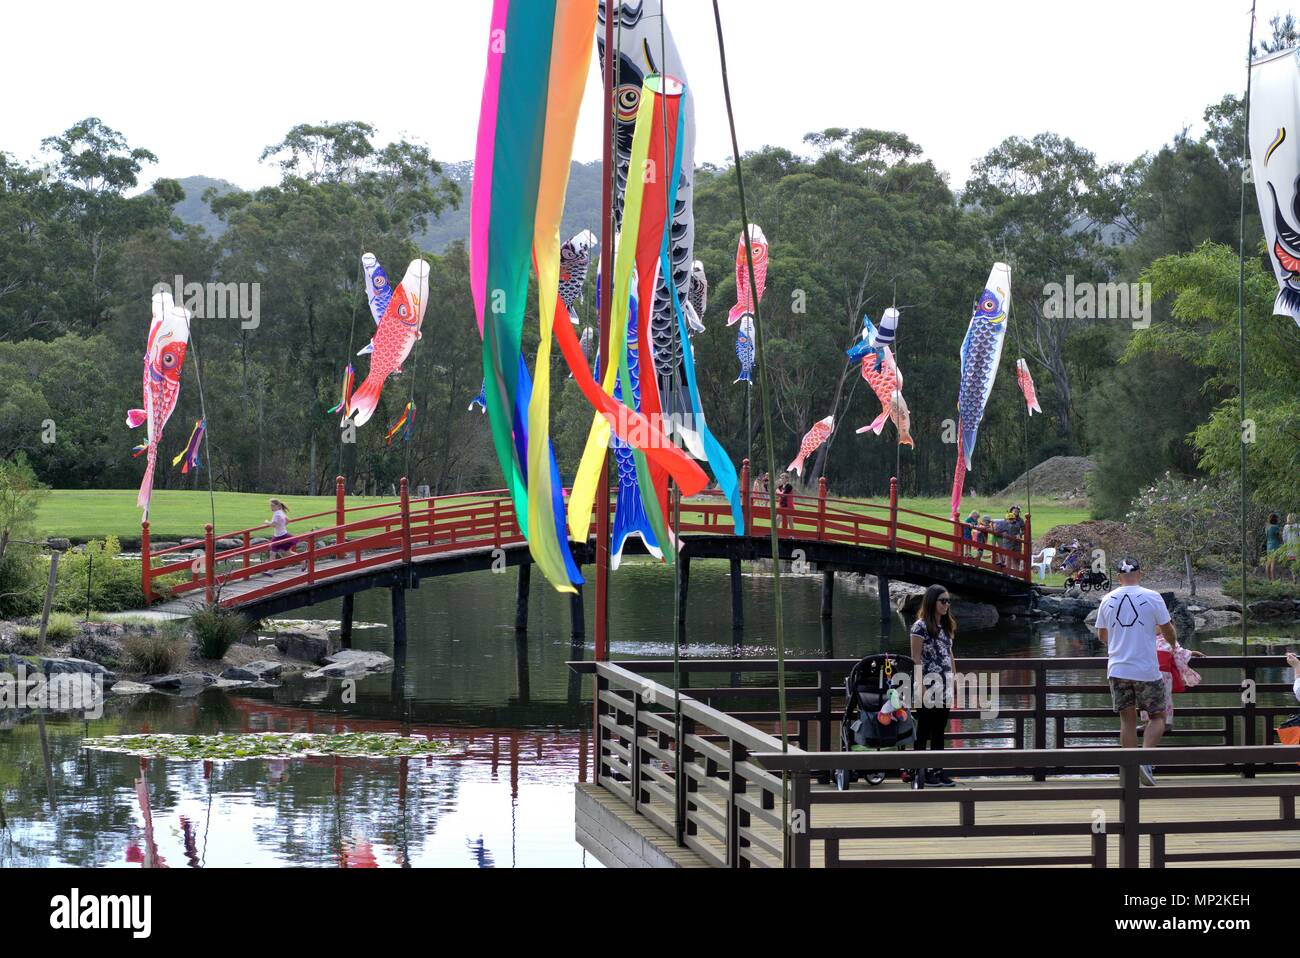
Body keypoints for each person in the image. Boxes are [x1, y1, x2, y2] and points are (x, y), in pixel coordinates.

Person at [1096, 557, 1175, 785]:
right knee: (1158, 717)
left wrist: (1119, 645)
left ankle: (1131, 771)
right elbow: (1168, 630)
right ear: (1140, 574)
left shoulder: (1107, 599)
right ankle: (1145, 759)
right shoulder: (1153, 597)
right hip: (1146, 669)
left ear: (1119, 577)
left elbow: (1102, 636)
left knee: (1127, 721)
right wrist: (1173, 645)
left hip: (1118, 668)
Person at [909, 584, 957, 788]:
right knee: (924, 730)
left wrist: (954, 680)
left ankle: (938, 770)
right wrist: (921, 686)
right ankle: (919, 771)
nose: (946, 605)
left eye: (948, 601)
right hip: (928, 684)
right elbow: (915, 658)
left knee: (939, 730)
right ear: (932, 602)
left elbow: (949, 655)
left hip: (944, 685)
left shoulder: (946, 626)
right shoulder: (919, 626)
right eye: (942, 601)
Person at [267, 498, 295, 574]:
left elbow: (273, 525)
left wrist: (267, 522)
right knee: (287, 552)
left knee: (273, 553)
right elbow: (288, 520)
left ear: (277, 506)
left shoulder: (276, 514)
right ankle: (303, 561)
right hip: (283, 534)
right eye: (270, 505)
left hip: (278, 536)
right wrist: (282, 526)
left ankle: (270, 570)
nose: (271, 507)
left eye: (272, 505)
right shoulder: (281, 512)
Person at [1266, 513, 1284, 582]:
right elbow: (1279, 537)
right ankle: (1274, 581)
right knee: (1273, 564)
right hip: (1275, 546)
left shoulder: (1267, 527)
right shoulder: (1275, 527)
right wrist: (1282, 543)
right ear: (1275, 519)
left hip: (1268, 546)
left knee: (1268, 564)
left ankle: (1269, 580)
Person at [1284, 515, 1300, 583]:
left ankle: (1294, 580)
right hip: (1297, 547)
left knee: (1292, 564)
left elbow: (1284, 538)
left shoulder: (1285, 527)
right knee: (1298, 563)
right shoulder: (1298, 526)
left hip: (1289, 548)